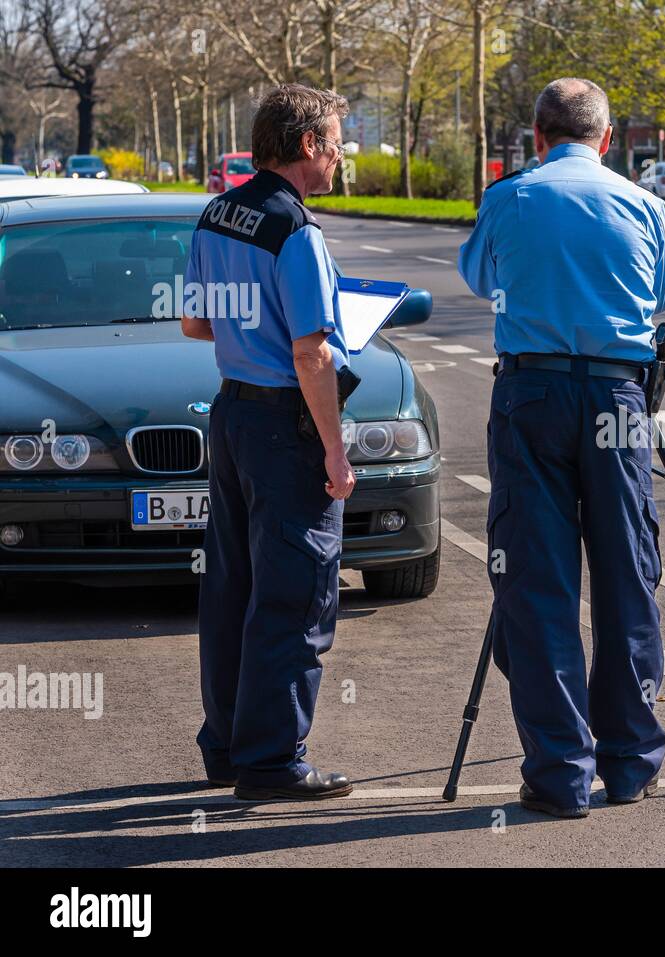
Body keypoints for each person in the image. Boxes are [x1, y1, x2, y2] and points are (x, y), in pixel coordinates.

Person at [458, 77, 665, 818]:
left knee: (538, 582)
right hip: (617, 397)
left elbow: (479, 276)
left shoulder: (510, 197)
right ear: (606, 138)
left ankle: (558, 772)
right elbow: (662, 294)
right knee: (626, 574)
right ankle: (628, 761)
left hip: (532, 395)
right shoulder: (646, 205)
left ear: (536, 133)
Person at [180, 83, 357, 801]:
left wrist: (247, 325)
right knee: (295, 593)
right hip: (285, 425)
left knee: (233, 588)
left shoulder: (218, 212)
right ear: (308, 145)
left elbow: (195, 324)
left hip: (233, 416)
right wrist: (336, 451)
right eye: (337, 142)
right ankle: (274, 760)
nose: (343, 155)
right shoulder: (296, 231)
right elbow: (312, 353)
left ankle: (227, 746)